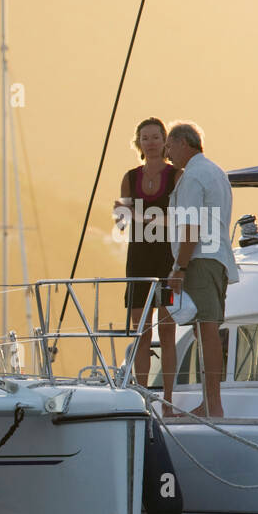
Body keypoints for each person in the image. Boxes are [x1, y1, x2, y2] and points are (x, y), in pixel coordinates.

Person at [165, 121, 240, 418]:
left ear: (185, 143)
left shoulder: (194, 176)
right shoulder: (217, 172)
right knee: (204, 329)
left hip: (200, 260)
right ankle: (210, 402)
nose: (168, 153)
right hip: (217, 257)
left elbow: (191, 227)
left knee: (206, 328)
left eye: (170, 145)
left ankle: (212, 405)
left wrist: (179, 268)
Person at [114, 116, 178, 401]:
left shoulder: (177, 176)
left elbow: (180, 219)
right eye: (145, 138)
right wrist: (145, 217)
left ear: (165, 141)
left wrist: (143, 217)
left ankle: (168, 397)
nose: (150, 143)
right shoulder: (130, 177)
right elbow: (121, 221)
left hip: (167, 259)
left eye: (155, 137)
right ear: (138, 143)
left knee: (167, 330)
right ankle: (140, 393)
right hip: (138, 259)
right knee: (140, 331)